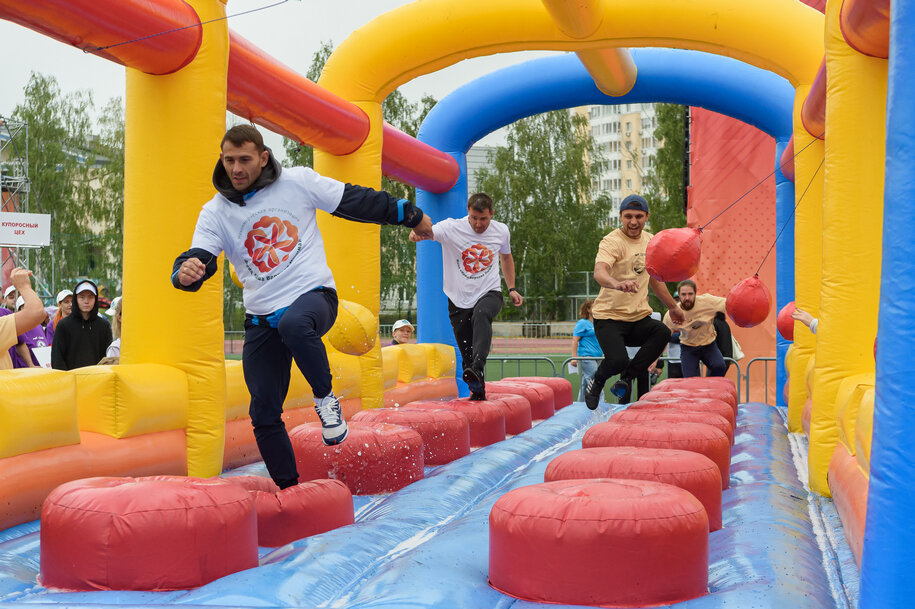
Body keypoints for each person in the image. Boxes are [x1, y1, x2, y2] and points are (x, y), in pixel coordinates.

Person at [172, 125, 432, 490]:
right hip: (261, 321)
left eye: (245, 160)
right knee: (262, 413)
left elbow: (354, 200)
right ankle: (290, 490)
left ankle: (327, 402)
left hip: (315, 298)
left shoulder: (296, 183)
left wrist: (408, 213)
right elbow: (200, 256)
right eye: (229, 161)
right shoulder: (215, 211)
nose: (237, 169)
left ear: (263, 158)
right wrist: (186, 272)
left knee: (294, 323)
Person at [409, 192, 523, 400]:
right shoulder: (452, 227)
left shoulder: (501, 231)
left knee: (481, 314)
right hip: (458, 298)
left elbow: (506, 257)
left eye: (483, 219)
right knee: (466, 356)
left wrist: (512, 288)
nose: (478, 224)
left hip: (490, 291)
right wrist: (417, 233)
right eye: (474, 218)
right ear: (468, 213)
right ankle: (478, 392)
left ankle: (478, 368)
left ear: (492, 214)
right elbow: (428, 231)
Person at [584, 195, 683, 408]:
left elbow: (656, 282)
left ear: (647, 216)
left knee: (663, 332)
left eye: (639, 216)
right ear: (620, 216)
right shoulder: (612, 241)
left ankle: (626, 379)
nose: (633, 222)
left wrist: (673, 308)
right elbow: (599, 272)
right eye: (628, 216)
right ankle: (598, 380)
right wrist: (616, 283)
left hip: (637, 318)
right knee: (617, 360)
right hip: (609, 318)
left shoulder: (652, 241)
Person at [662, 279, 728, 378]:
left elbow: (730, 303)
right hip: (688, 347)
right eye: (683, 295)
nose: (687, 298)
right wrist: (655, 361)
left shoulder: (707, 301)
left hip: (708, 345)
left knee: (720, 366)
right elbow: (663, 337)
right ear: (679, 296)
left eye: (690, 294)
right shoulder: (672, 313)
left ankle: (710, 388)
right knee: (690, 379)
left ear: (695, 294)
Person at [51, 279, 112, 370]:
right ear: (76, 299)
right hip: (71, 381)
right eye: (82, 297)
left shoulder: (104, 325)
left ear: (96, 299)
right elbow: (57, 359)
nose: (86, 301)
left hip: (98, 380)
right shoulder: (63, 325)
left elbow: (108, 359)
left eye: (90, 297)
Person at [0, 268, 45, 370]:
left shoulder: (5, 314)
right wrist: (24, 287)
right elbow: (37, 312)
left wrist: (30, 365)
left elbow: (20, 343)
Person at [571, 299, 602, 402]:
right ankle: (600, 405)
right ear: (589, 309)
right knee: (595, 382)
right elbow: (575, 340)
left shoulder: (598, 322)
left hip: (598, 356)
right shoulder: (582, 323)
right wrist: (574, 358)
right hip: (587, 356)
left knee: (585, 383)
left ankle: (579, 404)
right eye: (594, 306)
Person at [13, 296, 51, 367]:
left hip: (44, 369)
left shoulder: (39, 326)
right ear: (19, 310)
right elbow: (20, 347)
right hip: (26, 372)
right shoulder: (17, 326)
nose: (31, 309)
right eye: (27, 306)